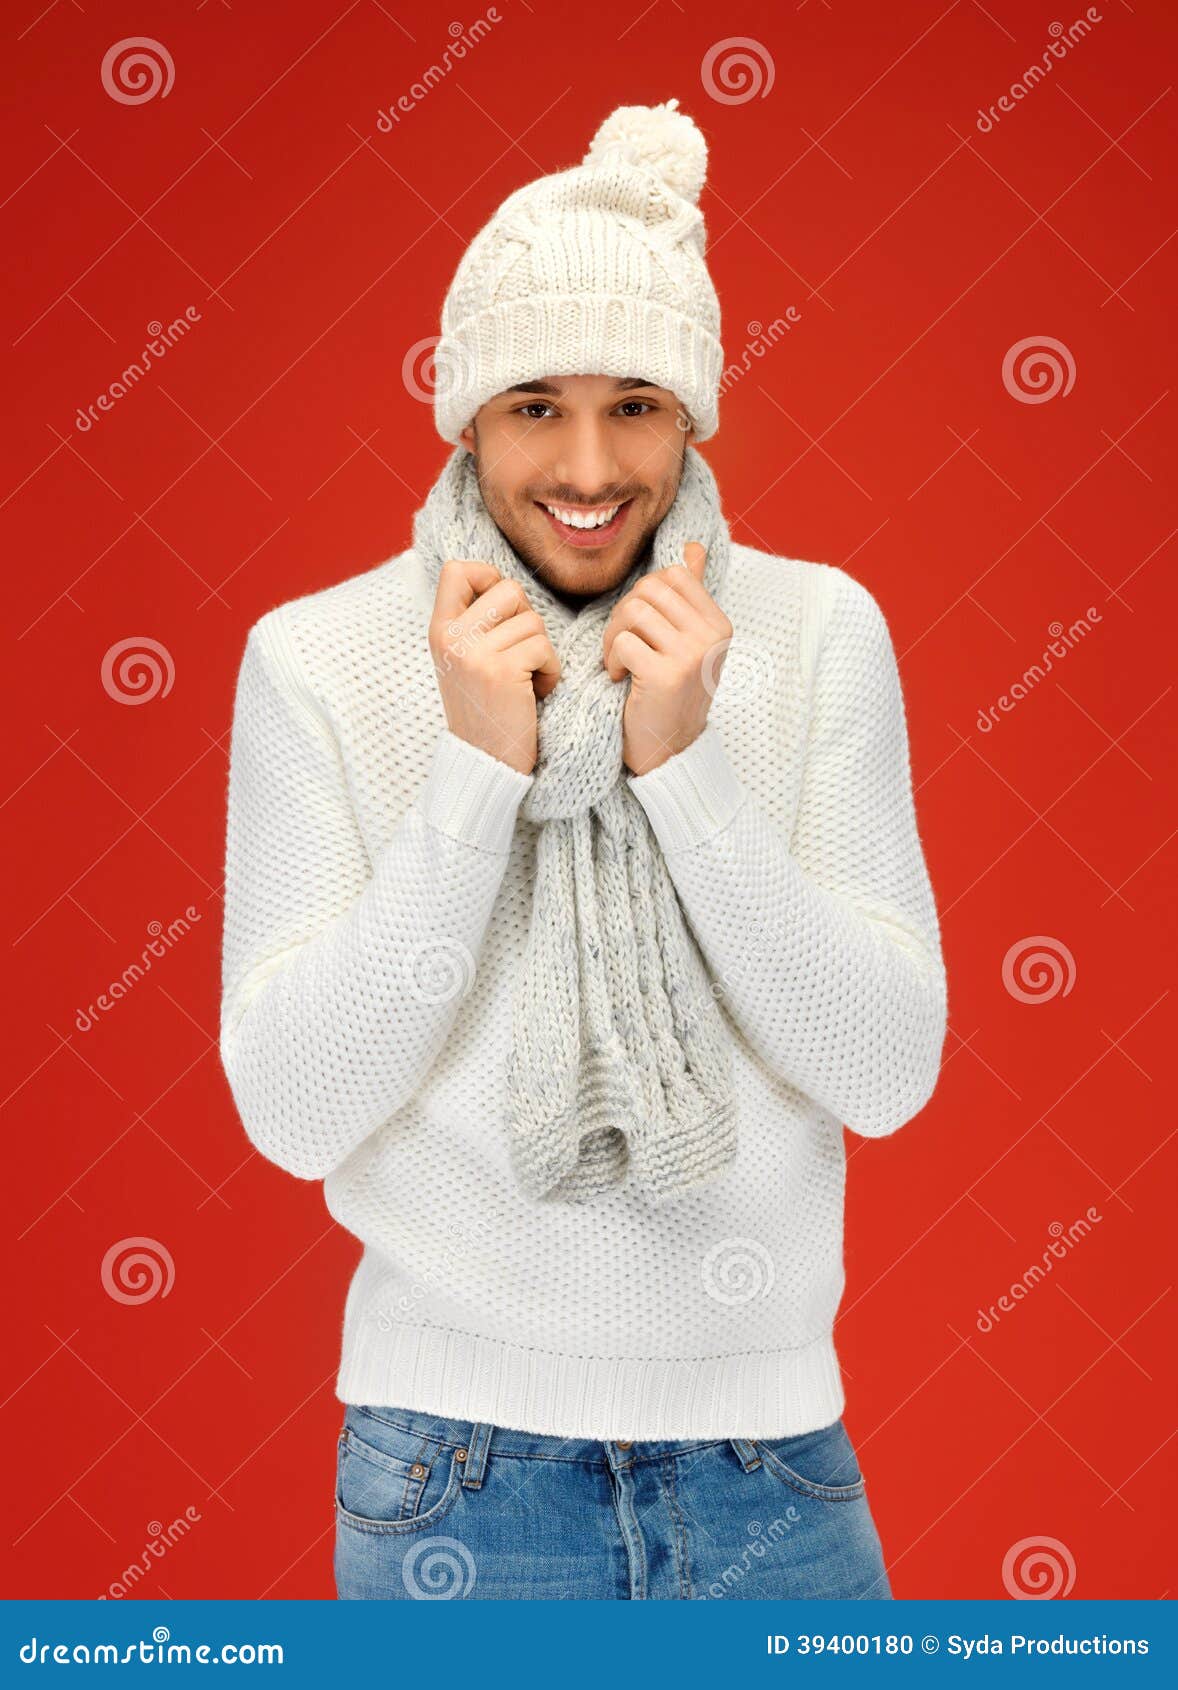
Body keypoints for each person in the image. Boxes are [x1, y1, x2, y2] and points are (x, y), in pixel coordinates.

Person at [218, 98, 948, 1601]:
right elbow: (294, 1110)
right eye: (534, 405)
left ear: (694, 419)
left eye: (636, 402)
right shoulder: (320, 657)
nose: (589, 463)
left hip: (770, 1470)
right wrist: (475, 778)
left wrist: (684, 773)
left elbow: (883, 1068)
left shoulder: (816, 633)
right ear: (464, 418)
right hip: (452, 1474)